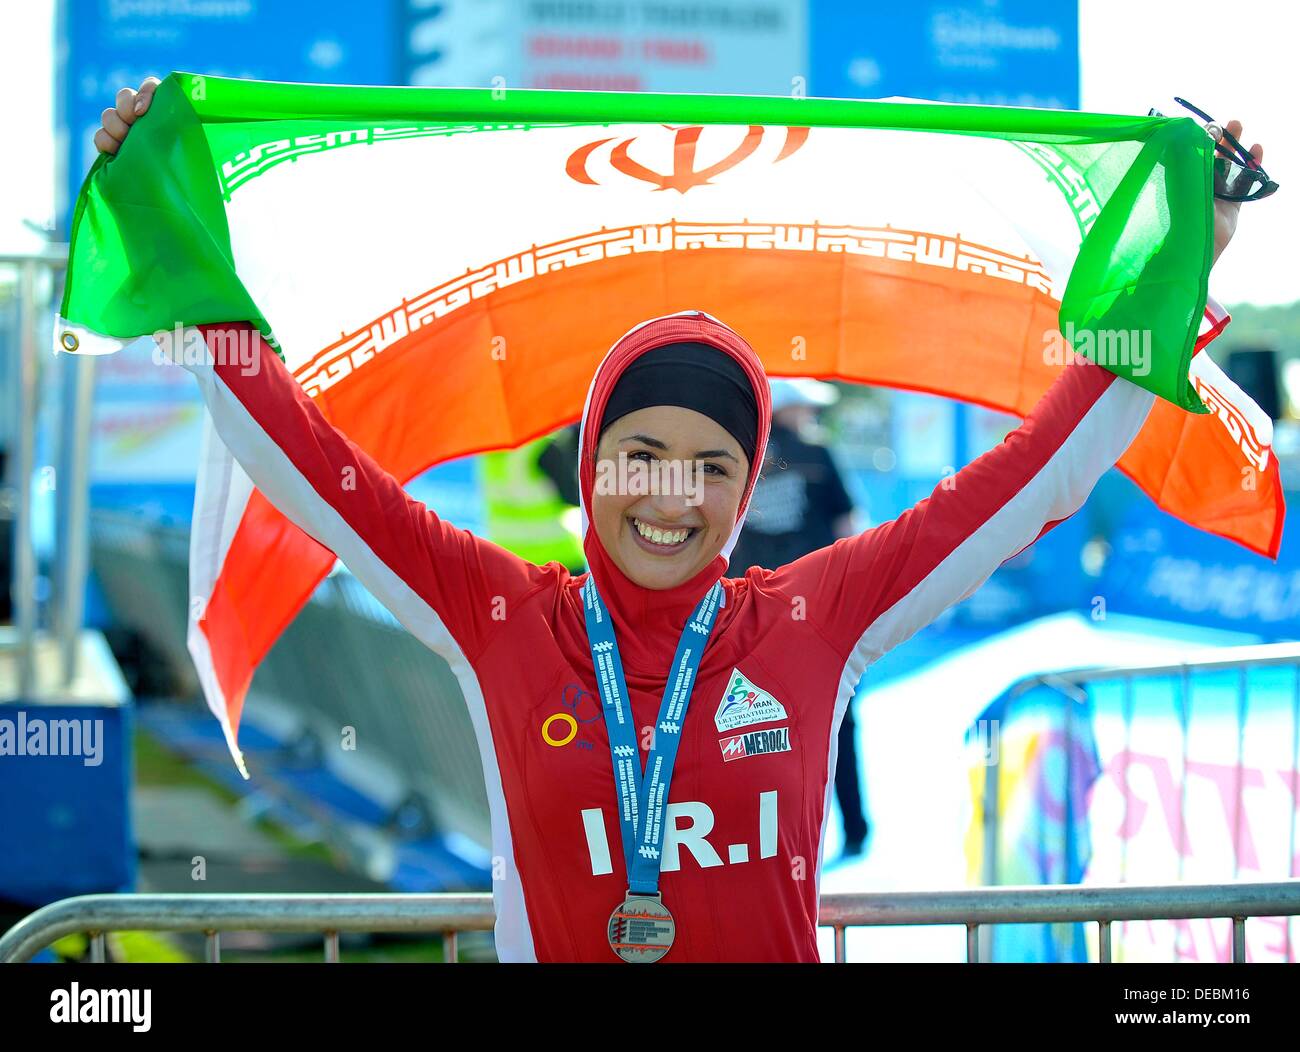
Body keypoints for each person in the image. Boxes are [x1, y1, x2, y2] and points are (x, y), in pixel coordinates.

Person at [96, 80, 1261, 963]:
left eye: (712, 466)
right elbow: (309, 462)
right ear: (590, 465)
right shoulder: (498, 616)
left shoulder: (814, 616)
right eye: (639, 455)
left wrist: (1182, 252)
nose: (671, 495)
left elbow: (1036, 472)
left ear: (745, 491)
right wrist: (166, 231)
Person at [727, 380, 870, 858]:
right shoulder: (818, 453)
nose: (811, 414)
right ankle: (854, 828)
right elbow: (849, 532)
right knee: (838, 718)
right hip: (819, 609)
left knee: (750, 728)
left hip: (750, 613)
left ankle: (766, 839)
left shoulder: (736, 458)